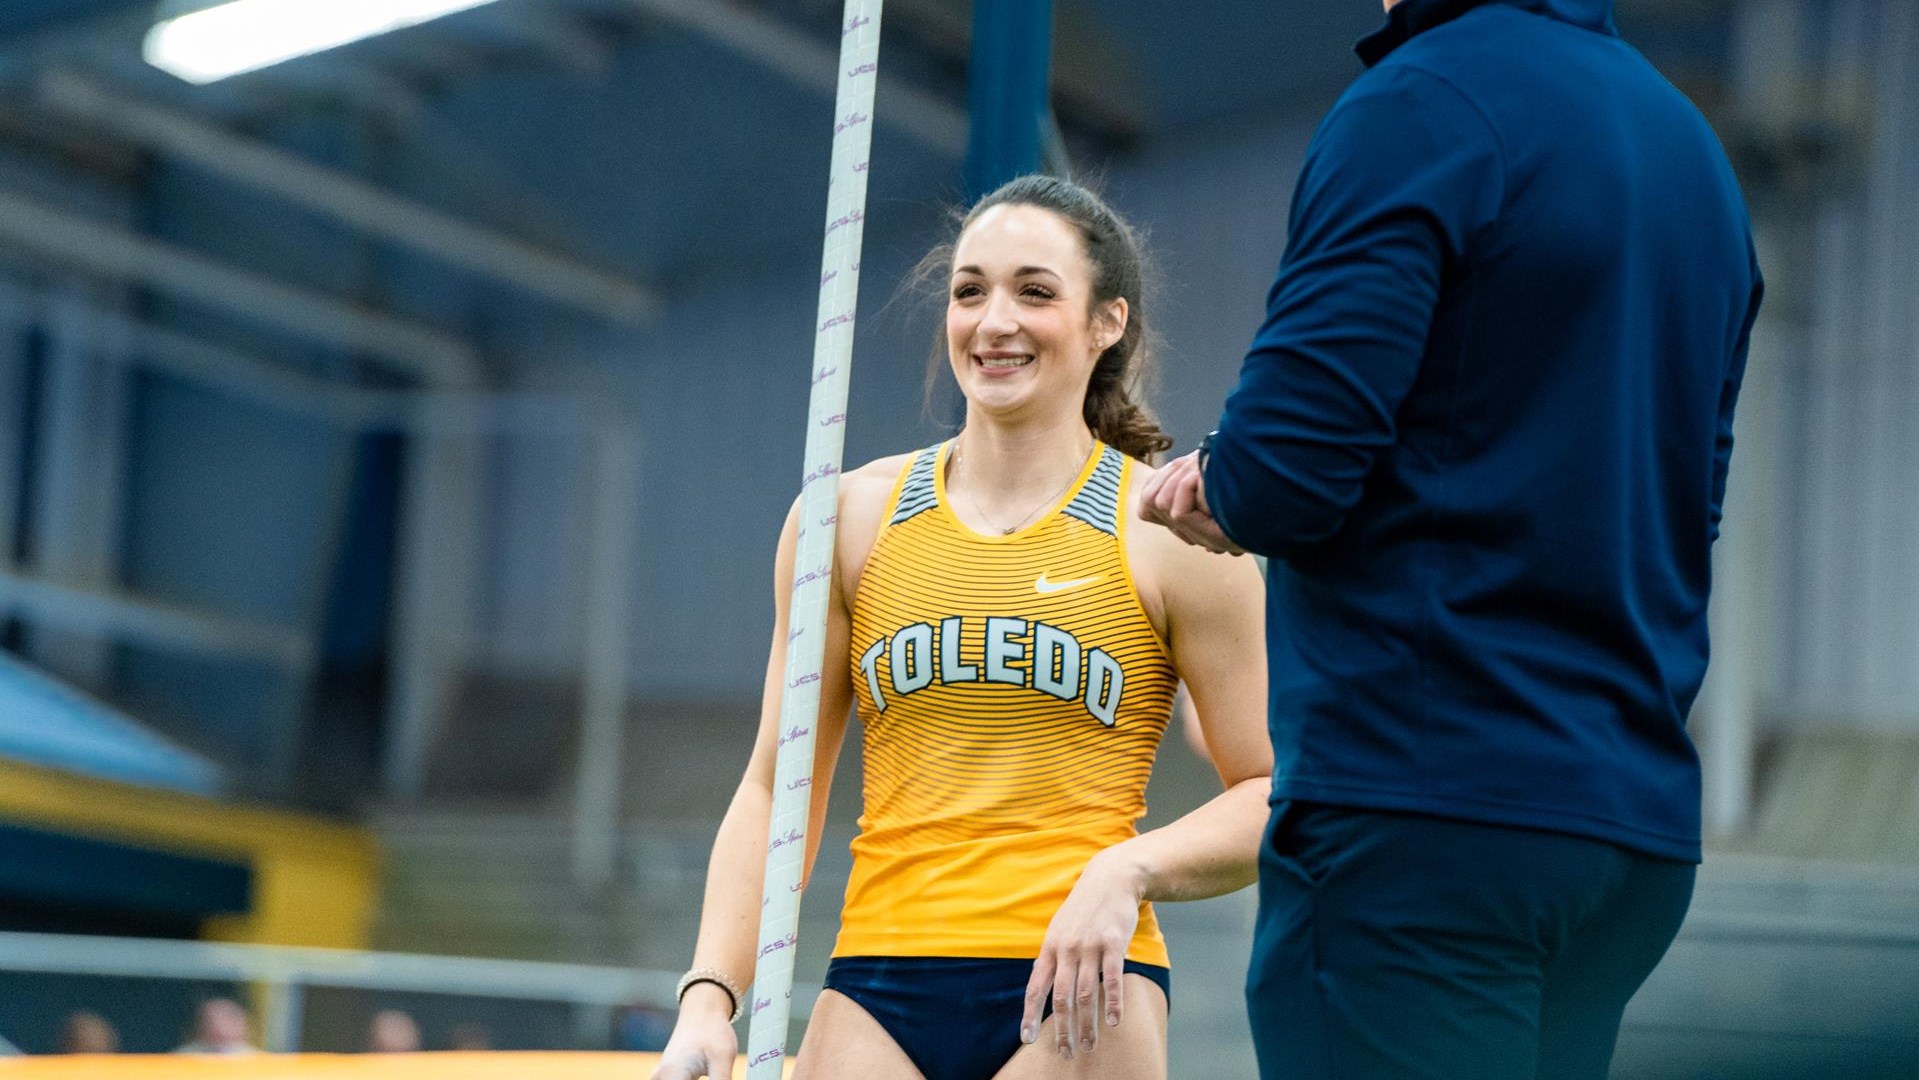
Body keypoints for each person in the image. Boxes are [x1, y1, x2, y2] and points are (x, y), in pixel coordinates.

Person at [1139, 0, 1764, 1078]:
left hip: (1425, 820)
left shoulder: (1416, 106)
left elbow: (1287, 472)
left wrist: (1216, 485)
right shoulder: (1689, 152)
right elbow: (1685, 498)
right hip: (1626, 832)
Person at [652, 175, 1272, 1080]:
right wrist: (708, 1001)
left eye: (1034, 291)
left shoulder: (1170, 530)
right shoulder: (845, 519)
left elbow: (1269, 791)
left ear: (1106, 323)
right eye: (970, 289)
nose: (994, 322)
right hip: (877, 978)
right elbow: (774, 790)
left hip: (1085, 983)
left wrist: (1129, 871)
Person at [174, 998, 258, 1055]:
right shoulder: (182, 1057)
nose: (219, 1025)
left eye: (229, 1017)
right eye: (210, 1019)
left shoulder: (260, 1062)